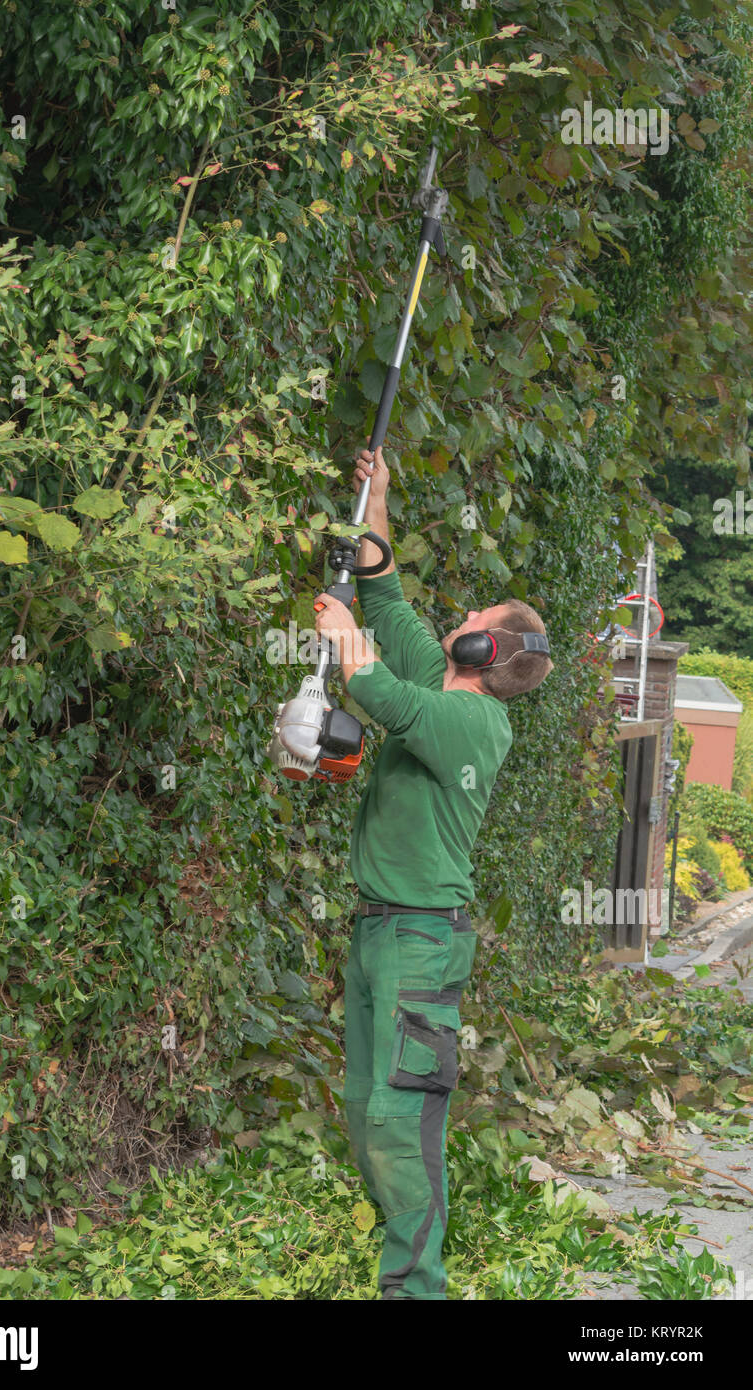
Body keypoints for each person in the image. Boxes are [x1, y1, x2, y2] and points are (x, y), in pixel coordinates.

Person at [313, 444, 554, 1300]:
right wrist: (374, 497)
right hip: (380, 930)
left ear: (487, 647)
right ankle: (403, 1277)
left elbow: (388, 701)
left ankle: (418, 1293)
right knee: (363, 1118)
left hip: (421, 941)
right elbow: (385, 591)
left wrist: (344, 643)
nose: (458, 618)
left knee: (398, 1123)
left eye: (474, 616)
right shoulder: (438, 673)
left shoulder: (476, 725)